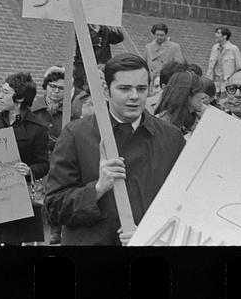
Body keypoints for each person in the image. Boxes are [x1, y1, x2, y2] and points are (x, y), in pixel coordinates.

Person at [44, 54, 185, 246]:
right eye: (124, 89)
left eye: (141, 88)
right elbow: (54, 208)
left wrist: (151, 233)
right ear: (106, 90)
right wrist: (97, 188)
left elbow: (183, 207)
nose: (134, 96)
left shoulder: (171, 138)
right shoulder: (76, 134)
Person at [0, 73, 49, 246]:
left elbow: (44, 164)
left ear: (19, 98)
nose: (0, 96)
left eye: (5, 92)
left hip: (18, 199)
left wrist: (29, 170)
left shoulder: (37, 128)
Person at [30, 65, 67, 245]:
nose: (56, 91)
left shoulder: (69, 112)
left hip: (59, 162)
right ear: (46, 86)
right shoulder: (32, 110)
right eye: (53, 86)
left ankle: (55, 229)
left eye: (61, 89)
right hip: (37, 161)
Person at [154, 69, 208, 137]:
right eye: (200, 91)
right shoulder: (160, 124)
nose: (203, 96)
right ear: (187, 95)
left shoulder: (201, 122)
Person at [205, 27, 241, 96]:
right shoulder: (214, 48)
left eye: (218, 33)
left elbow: (240, 67)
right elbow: (210, 66)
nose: (215, 34)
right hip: (215, 83)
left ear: (225, 36)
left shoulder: (233, 49)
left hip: (227, 84)